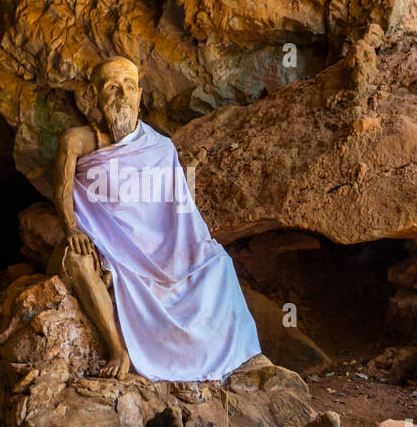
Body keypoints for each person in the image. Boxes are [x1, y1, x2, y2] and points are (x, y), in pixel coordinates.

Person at [49, 56, 262, 381]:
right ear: (93, 95)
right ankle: (118, 349)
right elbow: (62, 190)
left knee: (218, 263)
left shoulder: (160, 147)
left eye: (129, 87)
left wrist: (195, 247)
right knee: (78, 262)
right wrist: (72, 228)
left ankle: (239, 360)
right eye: (111, 87)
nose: (122, 95)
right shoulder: (75, 141)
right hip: (101, 244)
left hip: (154, 249)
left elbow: (180, 210)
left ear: (140, 94)